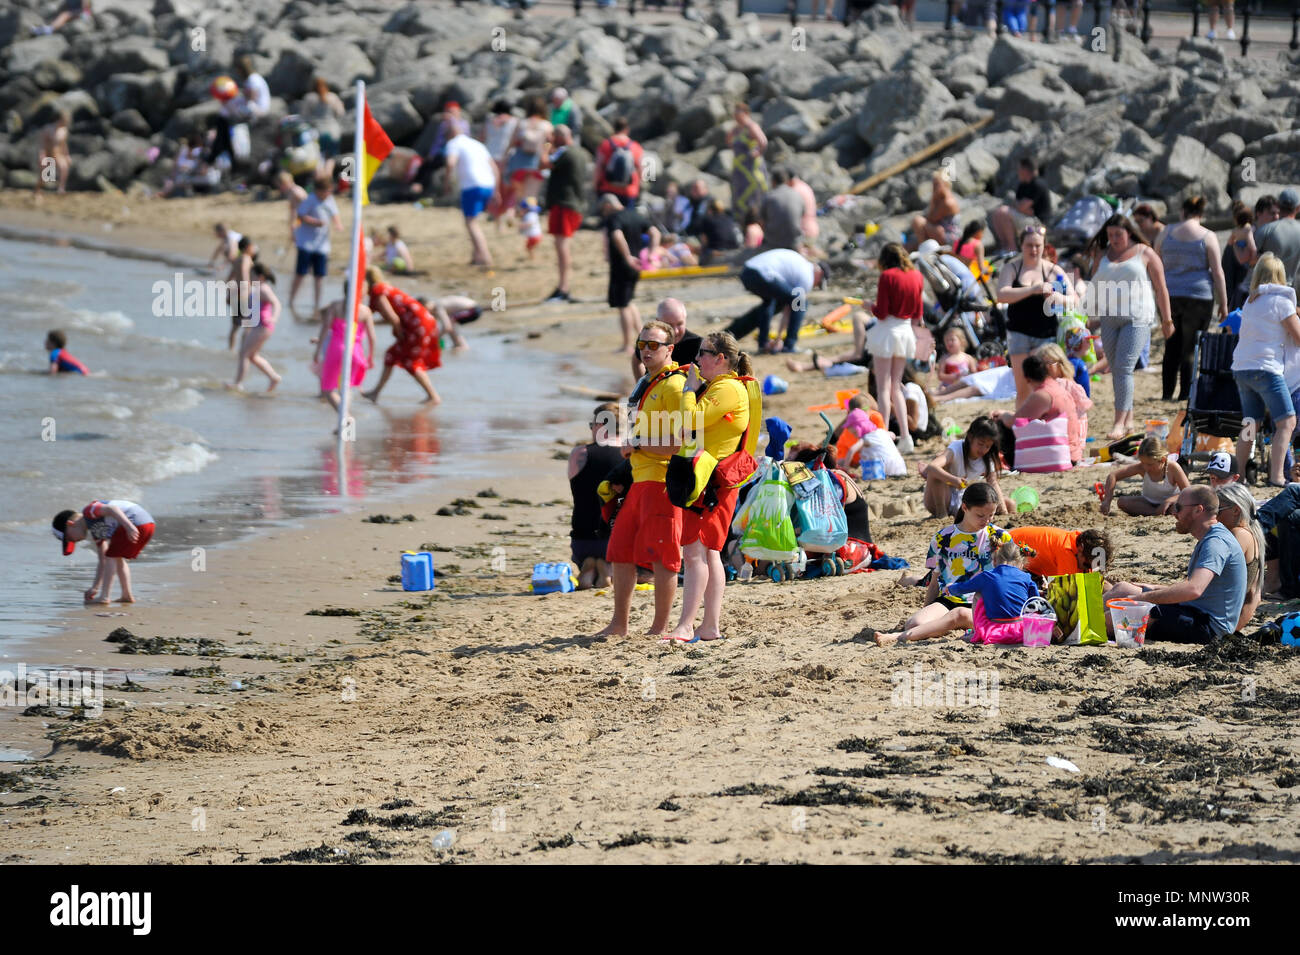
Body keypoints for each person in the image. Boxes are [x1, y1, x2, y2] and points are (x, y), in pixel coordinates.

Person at [595, 321, 685, 637]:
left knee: (664, 557)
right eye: (642, 344)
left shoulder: (675, 386)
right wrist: (629, 444)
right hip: (639, 478)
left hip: (663, 481)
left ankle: (659, 628)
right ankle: (619, 623)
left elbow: (683, 442)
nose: (646, 350)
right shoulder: (646, 382)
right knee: (620, 551)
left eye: (654, 345)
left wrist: (638, 443)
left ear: (670, 349)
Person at [663, 331, 754, 644]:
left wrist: (689, 389)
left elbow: (690, 420)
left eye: (703, 353)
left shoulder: (727, 388)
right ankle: (709, 627)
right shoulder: (721, 387)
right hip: (710, 479)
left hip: (711, 482)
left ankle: (686, 626)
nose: (696, 358)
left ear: (721, 359)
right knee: (709, 552)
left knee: (694, 553)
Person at [873, 483, 1014, 646]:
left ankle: (949, 624)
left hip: (985, 602)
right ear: (965, 507)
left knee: (960, 615)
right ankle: (955, 624)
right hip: (951, 599)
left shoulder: (1000, 536)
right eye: (980, 515)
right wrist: (926, 609)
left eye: (991, 515)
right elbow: (934, 583)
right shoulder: (942, 538)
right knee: (914, 624)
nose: (987, 520)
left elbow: (1010, 578)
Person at [1106, 485, 1246, 643]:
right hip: (1194, 610)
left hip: (1208, 627)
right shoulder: (1211, 537)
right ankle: (1080, 615)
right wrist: (1152, 589)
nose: (1173, 513)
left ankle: (1081, 625)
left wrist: (1143, 598)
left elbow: (1194, 589)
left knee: (1116, 619)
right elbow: (1200, 591)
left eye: (1178, 507)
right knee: (1122, 588)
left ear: (1198, 510)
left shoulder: (1216, 542)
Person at [1085, 213, 1172, 439]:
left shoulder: (1145, 252)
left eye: (1118, 234)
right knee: (1118, 372)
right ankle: (1130, 420)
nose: (1114, 239)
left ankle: (1118, 423)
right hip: (1109, 317)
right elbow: (1094, 286)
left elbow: (1161, 288)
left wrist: (1167, 319)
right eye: (1110, 235)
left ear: (1129, 232)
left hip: (1137, 318)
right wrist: (1089, 316)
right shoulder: (1103, 255)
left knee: (1124, 368)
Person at [1231, 252, 1300, 486]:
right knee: (1287, 422)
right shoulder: (1282, 301)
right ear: (1281, 276)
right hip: (1266, 368)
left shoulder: (1251, 302)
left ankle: (1238, 476)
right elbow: (1298, 337)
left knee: (1250, 423)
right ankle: (1277, 476)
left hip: (1241, 367)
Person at [1157, 196, 1229, 402]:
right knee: (1190, 347)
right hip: (1199, 295)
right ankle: (1185, 394)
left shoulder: (1166, 232)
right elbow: (1217, 272)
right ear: (1201, 213)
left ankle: (1166, 393)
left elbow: (1156, 262)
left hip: (1170, 294)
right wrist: (1223, 303)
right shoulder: (1208, 236)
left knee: (1171, 345)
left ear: (1182, 211)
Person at [997, 225, 1075, 406]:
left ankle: (1045, 423)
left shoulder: (1053, 270)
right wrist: (1033, 289)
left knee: (1044, 385)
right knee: (1023, 387)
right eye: (1029, 245)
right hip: (1018, 333)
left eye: (1038, 245)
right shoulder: (1012, 268)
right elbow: (1001, 294)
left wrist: (1056, 297)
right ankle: (1024, 427)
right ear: (1021, 245)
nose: (1033, 250)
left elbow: (1074, 299)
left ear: (1044, 246)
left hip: (1045, 334)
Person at [865, 242, 924, 453]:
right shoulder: (916, 276)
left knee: (883, 387)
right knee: (896, 386)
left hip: (887, 331)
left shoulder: (887, 276)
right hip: (905, 330)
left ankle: (884, 435)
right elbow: (918, 313)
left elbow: (881, 312)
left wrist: (868, 306)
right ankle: (906, 437)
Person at [362, 267, 443, 405]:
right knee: (391, 355)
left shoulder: (377, 291)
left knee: (411, 362)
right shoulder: (384, 288)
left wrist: (399, 334)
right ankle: (375, 393)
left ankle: (433, 397)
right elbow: (391, 316)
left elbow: (393, 317)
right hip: (422, 322)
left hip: (417, 325)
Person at [52, 500, 155, 605]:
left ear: (70, 524)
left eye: (69, 538)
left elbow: (112, 509)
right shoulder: (96, 529)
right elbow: (102, 560)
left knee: (111, 556)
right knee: (117, 557)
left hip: (134, 522)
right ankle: (126, 595)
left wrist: (129, 526)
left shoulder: (88, 511)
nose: (74, 541)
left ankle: (105, 597)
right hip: (148, 524)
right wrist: (94, 588)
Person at [726, 247, 825, 356]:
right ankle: (789, 345)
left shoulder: (800, 266)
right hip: (760, 273)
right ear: (819, 273)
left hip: (748, 271)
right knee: (801, 302)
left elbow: (787, 307)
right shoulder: (808, 276)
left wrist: (778, 338)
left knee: (770, 303)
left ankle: (760, 343)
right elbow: (792, 308)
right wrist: (779, 340)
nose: (815, 286)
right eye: (819, 283)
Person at [568, 403, 624, 591]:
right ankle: (607, 569)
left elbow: (576, 487)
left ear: (601, 426)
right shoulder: (631, 456)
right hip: (616, 541)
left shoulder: (579, 454)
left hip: (581, 540)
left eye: (592, 425)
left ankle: (588, 566)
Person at [949, 540, 1040, 645]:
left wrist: (950, 588)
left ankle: (976, 632)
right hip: (1021, 632)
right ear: (1022, 564)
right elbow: (1036, 602)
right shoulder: (1026, 577)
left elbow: (963, 588)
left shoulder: (986, 576)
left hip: (994, 632)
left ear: (995, 561)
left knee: (978, 595)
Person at [600, 193, 658, 355]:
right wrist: (652, 254)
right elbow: (655, 232)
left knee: (623, 305)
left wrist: (626, 257)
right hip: (637, 264)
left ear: (607, 206)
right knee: (629, 301)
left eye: (603, 211)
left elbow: (616, 235)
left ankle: (627, 345)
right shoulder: (636, 214)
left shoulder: (613, 217)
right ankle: (643, 338)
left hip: (622, 265)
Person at [921, 415, 1011, 518]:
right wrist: (954, 480)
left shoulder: (987, 457)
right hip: (940, 499)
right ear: (970, 437)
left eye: (987, 446)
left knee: (1009, 503)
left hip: (961, 499)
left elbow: (993, 483)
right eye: (980, 444)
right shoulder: (956, 448)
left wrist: (1004, 511)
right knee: (937, 469)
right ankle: (942, 514)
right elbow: (932, 467)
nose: (983, 449)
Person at [312, 286, 376, 411]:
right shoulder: (365, 311)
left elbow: (325, 328)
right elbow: (372, 337)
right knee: (346, 388)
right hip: (355, 352)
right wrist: (370, 357)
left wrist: (317, 350)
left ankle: (345, 417)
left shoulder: (335, 306)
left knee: (328, 389)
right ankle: (344, 419)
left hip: (336, 349)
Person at [288, 177, 342, 321]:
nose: (328, 193)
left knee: (319, 276)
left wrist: (338, 224)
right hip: (306, 243)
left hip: (322, 245)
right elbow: (301, 215)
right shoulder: (310, 200)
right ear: (318, 190)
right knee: (301, 274)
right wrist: (315, 222)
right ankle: (291, 301)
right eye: (326, 191)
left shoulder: (330, 199)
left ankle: (317, 304)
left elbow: (334, 213)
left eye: (330, 191)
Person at [443, 131, 499, 269]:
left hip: (472, 185)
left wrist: (447, 183)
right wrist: (497, 191)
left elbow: (450, 163)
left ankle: (486, 258)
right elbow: (495, 168)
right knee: (474, 220)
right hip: (489, 184)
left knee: (471, 222)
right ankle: (476, 256)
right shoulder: (477, 144)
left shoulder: (453, 143)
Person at [1099, 434, 1189, 516]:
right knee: (1122, 502)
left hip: (1170, 504)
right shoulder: (1141, 467)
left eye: (1150, 464)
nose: (1146, 467)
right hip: (1148, 502)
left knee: (1179, 507)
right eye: (1143, 463)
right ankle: (1156, 512)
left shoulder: (1172, 468)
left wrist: (1169, 501)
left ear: (1163, 460)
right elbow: (1113, 475)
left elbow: (1188, 492)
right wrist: (1107, 499)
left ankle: (1160, 511)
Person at [228, 261, 282, 393]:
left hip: (263, 326)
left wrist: (274, 318)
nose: (250, 278)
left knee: (244, 354)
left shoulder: (263, 289)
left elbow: (277, 303)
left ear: (261, 277)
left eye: (252, 276)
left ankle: (238, 383)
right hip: (259, 326)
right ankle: (273, 377)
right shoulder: (258, 288)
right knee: (252, 356)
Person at [1033, 343, 1091, 465]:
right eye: (1041, 365)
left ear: (1060, 364)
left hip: (1065, 444)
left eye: (1049, 364)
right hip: (1072, 446)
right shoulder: (1070, 385)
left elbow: (1079, 418)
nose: (1045, 368)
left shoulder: (1063, 385)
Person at [1216, 483, 1262, 632]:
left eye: (1218, 511)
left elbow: (1208, 580)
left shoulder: (1239, 534)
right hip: (1226, 619)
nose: (1214, 516)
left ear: (1236, 510)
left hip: (1216, 617)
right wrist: (1234, 628)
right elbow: (1254, 596)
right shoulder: (1251, 534)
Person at [990, 158, 1052, 253]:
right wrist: (1021, 208)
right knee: (996, 214)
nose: (1018, 172)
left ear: (1025, 170)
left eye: (1019, 169)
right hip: (1027, 217)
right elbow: (1019, 206)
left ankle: (1012, 247)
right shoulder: (1022, 185)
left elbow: (1021, 207)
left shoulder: (1038, 184)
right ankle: (1004, 246)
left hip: (1038, 223)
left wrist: (1021, 207)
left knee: (1003, 212)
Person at [502, 97, 552, 211]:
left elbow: (512, 143)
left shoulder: (522, 123)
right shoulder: (546, 125)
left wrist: (505, 159)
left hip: (518, 164)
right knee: (531, 195)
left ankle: (519, 214)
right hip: (536, 164)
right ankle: (530, 218)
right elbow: (549, 143)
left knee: (520, 196)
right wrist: (545, 154)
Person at [1009, 526, 1113, 578]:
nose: (1088, 570)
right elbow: (1067, 592)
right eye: (1087, 565)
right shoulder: (1067, 553)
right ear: (1080, 549)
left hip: (1023, 562)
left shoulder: (1078, 543)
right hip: (1004, 552)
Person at [633, 298, 700, 379]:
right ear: (658, 322)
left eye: (679, 324)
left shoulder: (697, 344)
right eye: (669, 325)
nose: (675, 331)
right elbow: (636, 360)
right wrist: (640, 386)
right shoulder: (647, 338)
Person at [1251, 188, 1300, 287]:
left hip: (1264, 291)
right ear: (1298, 208)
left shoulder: (1266, 230)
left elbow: (1251, 260)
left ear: (1277, 205)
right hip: (1290, 291)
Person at [727, 103, 768, 220]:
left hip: (752, 167)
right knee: (738, 193)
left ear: (746, 113)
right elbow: (729, 141)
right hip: (739, 169)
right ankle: (741, 220)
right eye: (734, 114)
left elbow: (763, 142)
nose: (736, 116)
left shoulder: (751, 126)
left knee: (754, 194)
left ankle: (756, 219)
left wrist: (756, 153)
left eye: (738, 113)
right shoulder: (735, 129)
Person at [300, 77, 345, 178]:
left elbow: (304, 116)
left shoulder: (309, 98)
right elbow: (340, 113)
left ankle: (319, 178)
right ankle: (328, 176)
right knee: (331, 157)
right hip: (333, 131)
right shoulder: (333, 97)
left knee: (317, 156)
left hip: (316, 131)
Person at [593, 116, 643, 206]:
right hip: (629, 191)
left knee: (608, 219)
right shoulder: (635, 146)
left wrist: (596, 185)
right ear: (627, 129)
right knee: (626, 219)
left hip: (607, 189)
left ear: (614, 128)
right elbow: (640, 170)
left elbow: (598, 167)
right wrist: (638, 188)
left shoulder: (605, 144)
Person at [483, 100, 518, 220]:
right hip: (506, 157)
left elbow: (482, 137)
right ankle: (508, 211)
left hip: (489, 157)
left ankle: (493, 213)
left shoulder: (489, 121)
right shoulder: (513, 121)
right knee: (507, 187)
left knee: (494, 187)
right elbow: (514, 140)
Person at [909, 171, 961, 250]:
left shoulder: (948, 202)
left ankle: (923, 249)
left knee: (917, 221)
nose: (934, 187)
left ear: (945, 184)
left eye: (937, 184)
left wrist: (933, 198)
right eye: (934, 185)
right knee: (910, 245)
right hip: (943, 233)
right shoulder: (942, 199)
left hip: (949, 237)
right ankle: (923, 247)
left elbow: (931, 218)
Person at [760, 167, 804, 252]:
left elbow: (761, 221)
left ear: (773, 181)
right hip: (794, 242)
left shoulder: (769, 196)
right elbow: (801, 216)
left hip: (773, 243)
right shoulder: (797, 195)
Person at [226, 235, 258, 349]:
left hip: (235, 292)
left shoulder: (236, 260)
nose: (254, 249)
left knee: (234, 327)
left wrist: (228, 295)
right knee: (248, 326)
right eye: (253, 247)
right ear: (248, 247)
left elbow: (229, 278)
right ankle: (244, 350)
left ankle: (231, 350)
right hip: (244, 293)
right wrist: (248, 292)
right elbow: (245, 274)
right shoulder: (246, 258)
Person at [1224, 201, 1255, 311]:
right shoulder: (1252, 231)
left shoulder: (1236, 233)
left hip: (1237, 287)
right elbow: (1253, 248)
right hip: (1246, 275)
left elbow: (1229, 243)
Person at [696, 198, 742, 265]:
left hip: (718, 252)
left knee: (702, 256)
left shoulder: (707, 220)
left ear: (709, 210)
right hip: (734, 250)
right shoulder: (728, 218)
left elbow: (704, 242)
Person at [35, 112, 71, 197]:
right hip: (48, 154)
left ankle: (61, 189)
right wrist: (41, 155)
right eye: (66, 120)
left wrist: (67, 155)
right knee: (44, 177)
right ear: (60, 119)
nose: (67, 122)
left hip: (58, 154)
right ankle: (38, 190)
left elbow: (64, 145)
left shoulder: (64, 131)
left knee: (64, 168)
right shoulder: (48, 128)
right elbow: (43, 143)